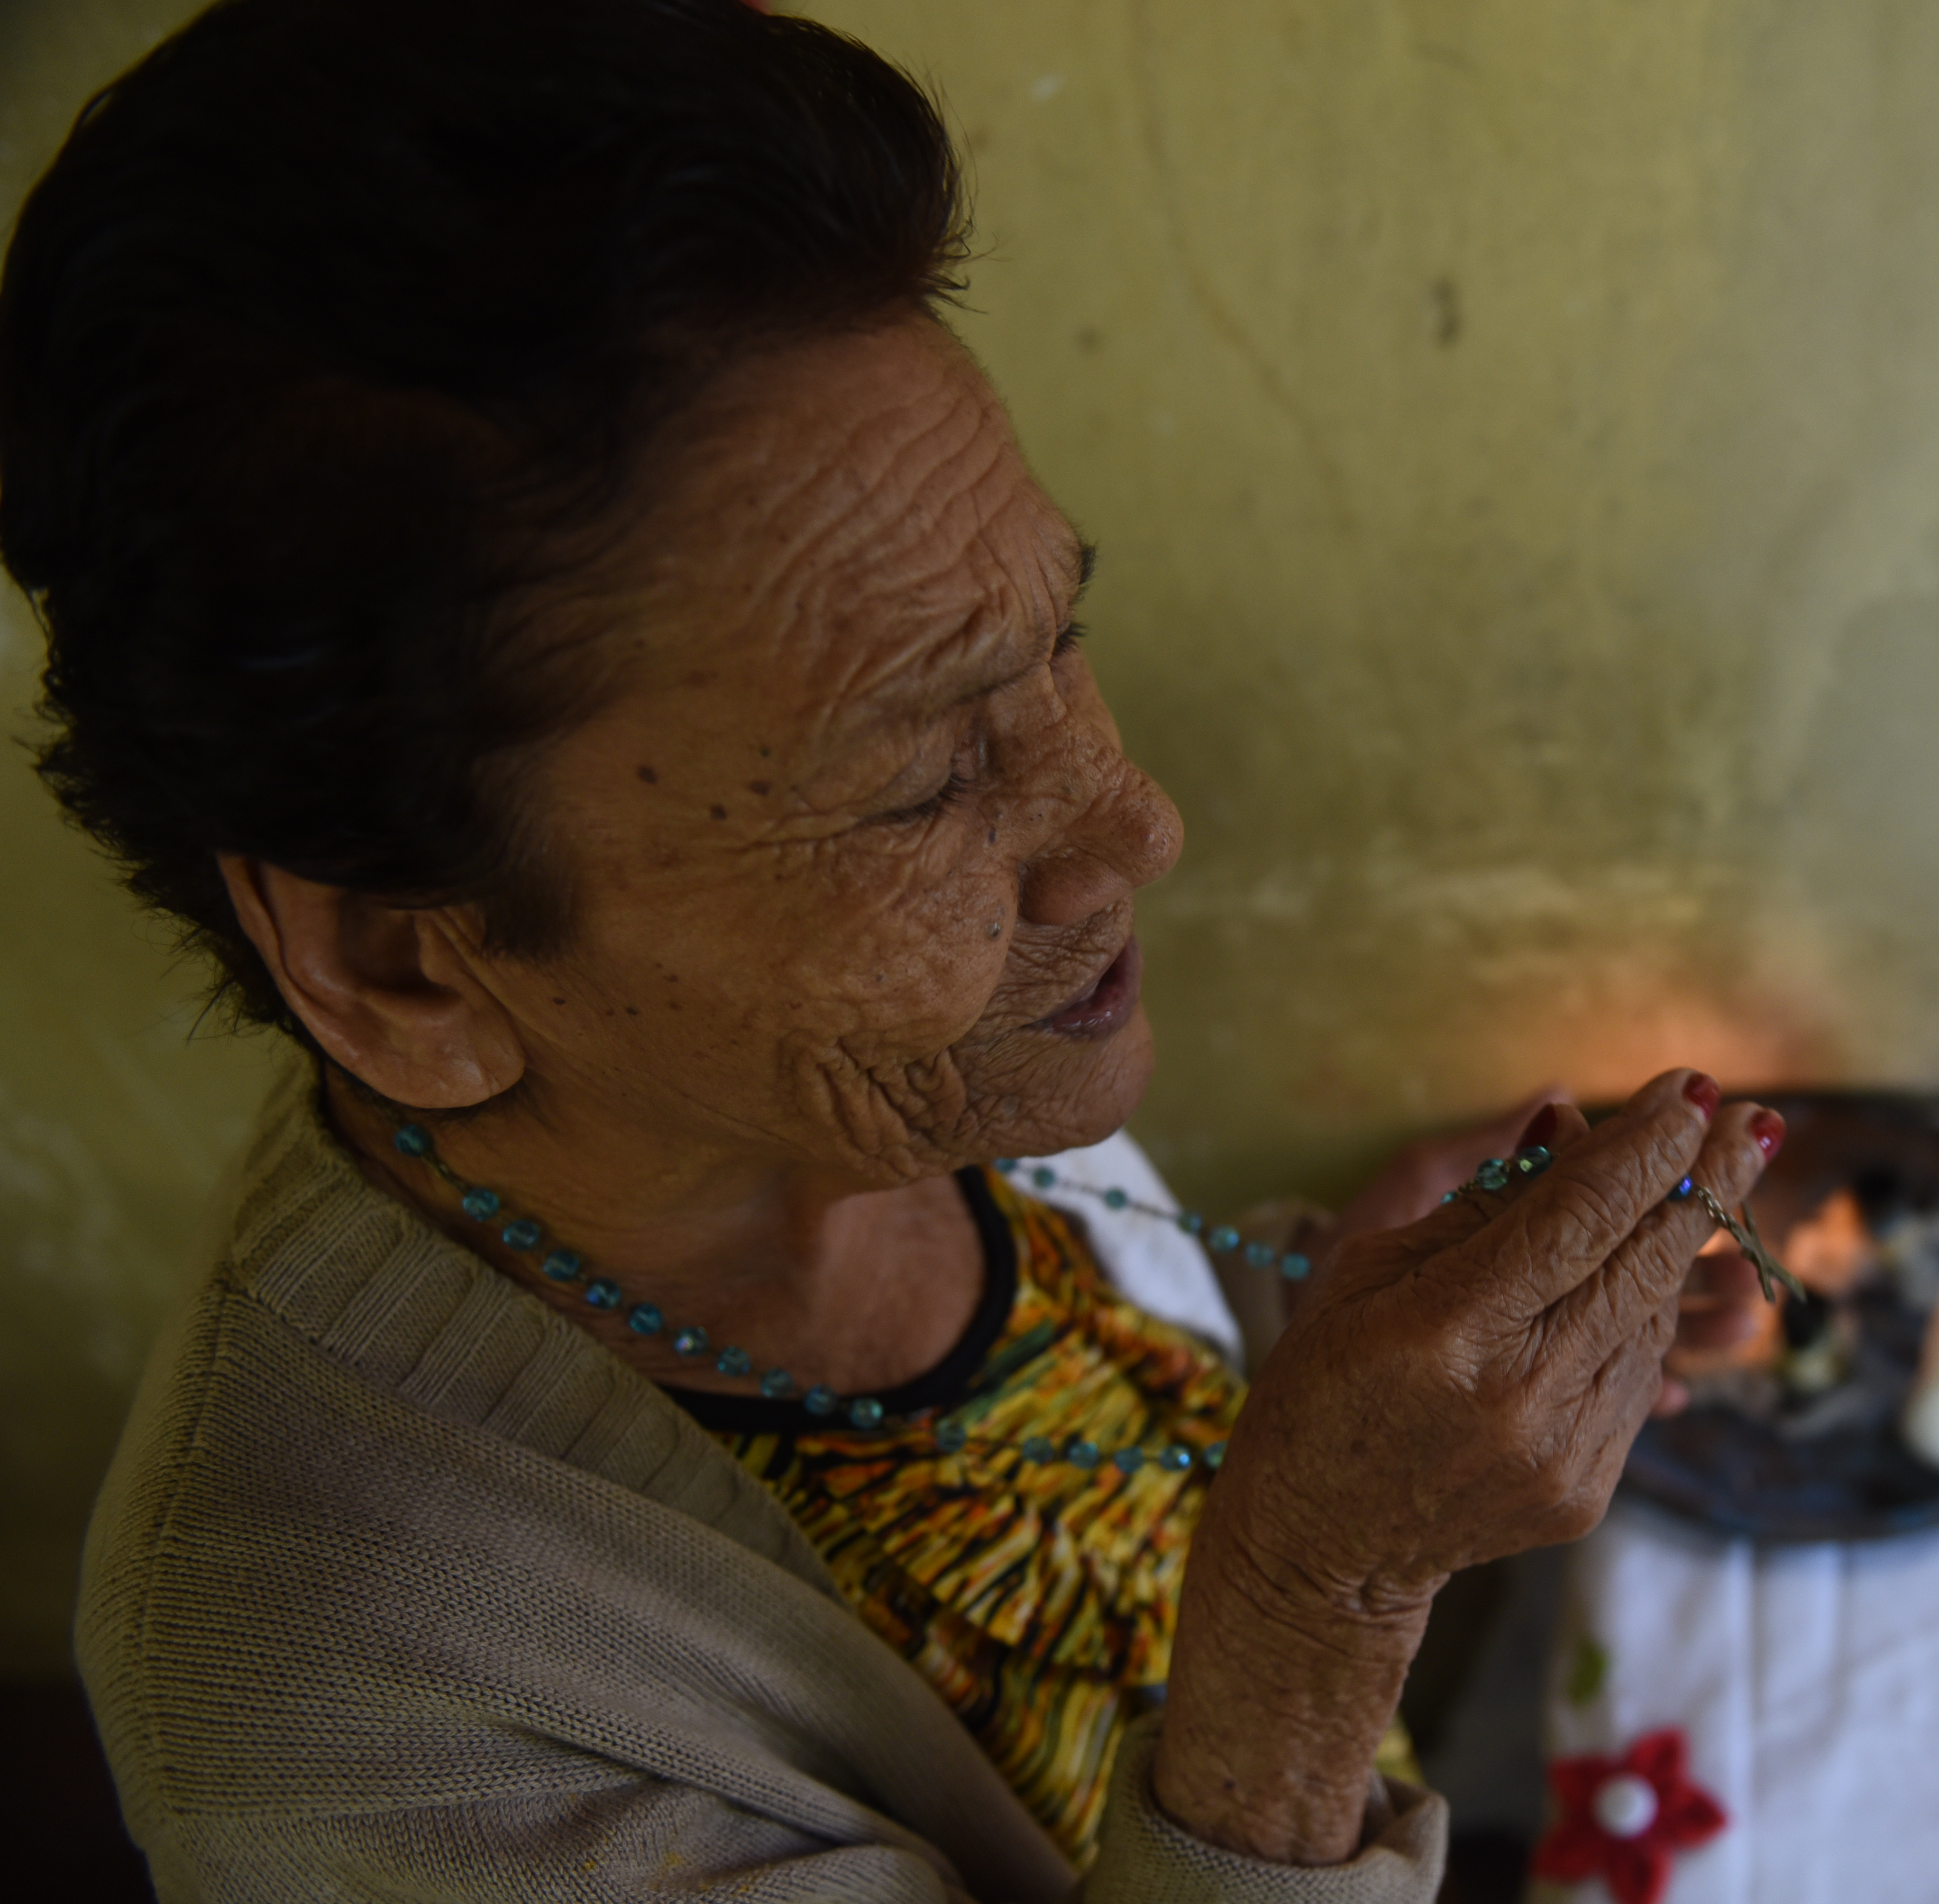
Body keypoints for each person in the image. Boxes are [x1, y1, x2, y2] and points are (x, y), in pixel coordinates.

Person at [0, 2, 1777, 1897]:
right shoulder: (336, 1711)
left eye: (1056, 638)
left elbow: (1077, 1413)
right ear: (406, 972)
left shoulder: (878, 1076)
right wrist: (1325, 1588)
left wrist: (1330, 1320)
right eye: (921, 784)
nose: (1133, 828)